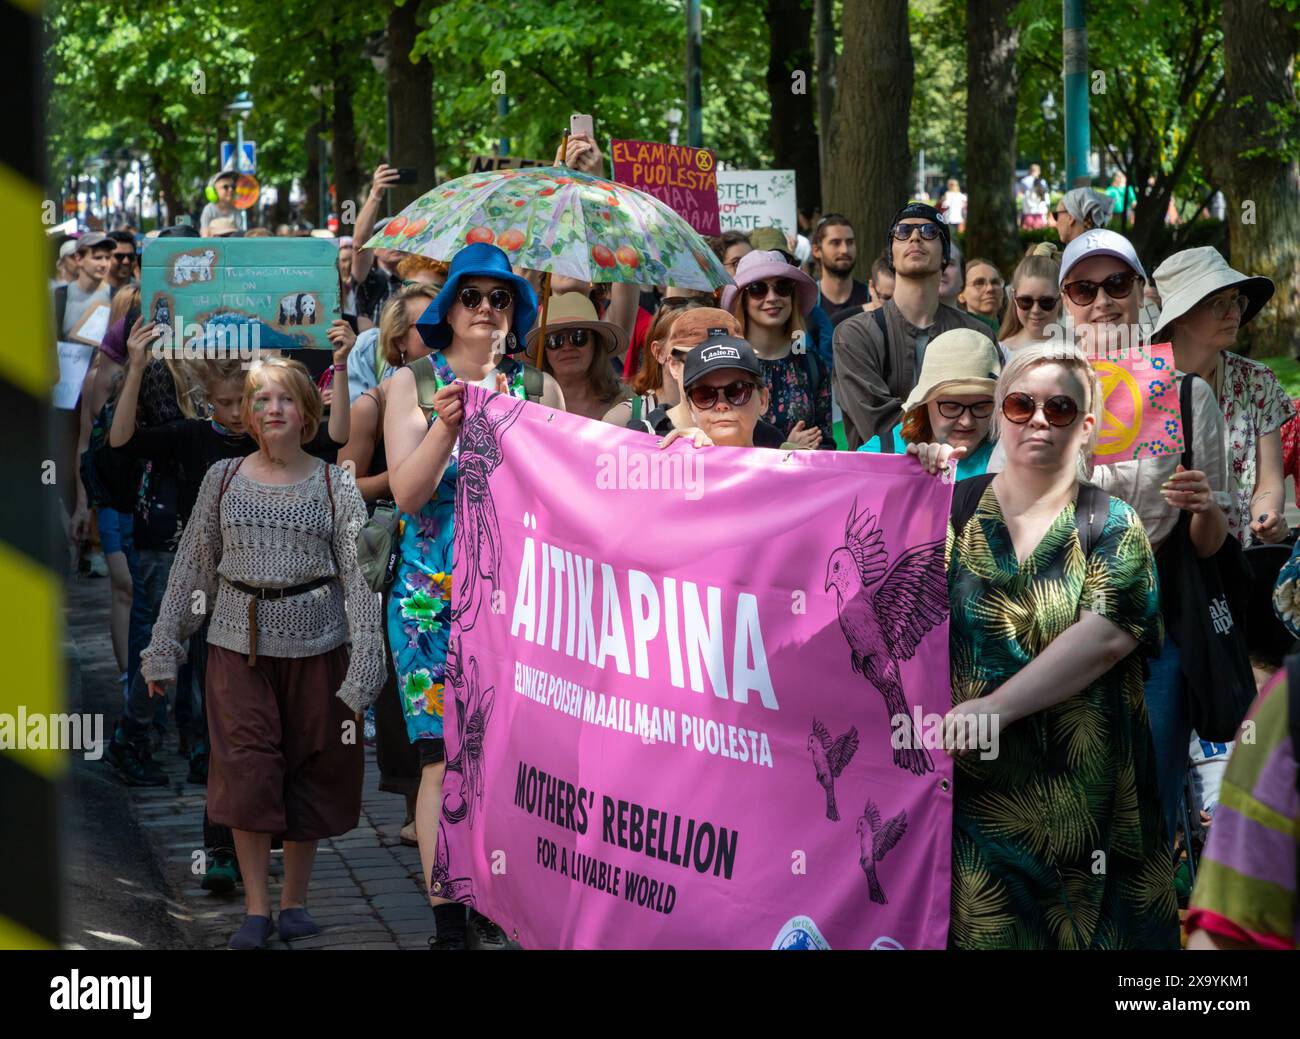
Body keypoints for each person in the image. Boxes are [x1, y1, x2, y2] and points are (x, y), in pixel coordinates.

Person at [917, 341, 1177, 949]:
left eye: (1060, 408)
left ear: (1086, 427)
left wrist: (993, 710)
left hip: (1091, 819)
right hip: (976, 817)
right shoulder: (946, 507)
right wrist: (700, 454)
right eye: (1020, 404)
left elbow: (1106, 637)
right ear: (999, 415)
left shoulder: (1113, 522)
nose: (1038, 419)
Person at [139, 356, 384, 949]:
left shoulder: (335, 483)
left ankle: (294, 902)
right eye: (261, 401)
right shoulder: (221, 478)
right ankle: (255, 907)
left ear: (306, 414)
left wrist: (367, 656)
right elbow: (194, 569)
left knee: (310, 767)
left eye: (285, 400)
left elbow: (358, 576)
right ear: (246, 414)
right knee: (245, 771)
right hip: (234, 645)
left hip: (317, 644)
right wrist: (164, 645)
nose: (273, 410)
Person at [383, 243, 556, 950]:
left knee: (503, 756)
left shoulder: (541, 389)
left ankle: (493, 891)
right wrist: (449, 424)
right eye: (472, 295)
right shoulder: (414, 384)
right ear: (447, 308)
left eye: (500, 297)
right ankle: (448, 918)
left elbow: (564, 496)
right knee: (439, 756)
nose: (486, 308)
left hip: (516, 593)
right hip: (429, 594)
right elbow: (407, 492)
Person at [1056, 229, 1233, 844]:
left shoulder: (1190, 395)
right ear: (1065, 304)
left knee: (1151, 792)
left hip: (1161, 622)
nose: (1102, 301)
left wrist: (1204, 506)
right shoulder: (1041, 396)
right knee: (1073, 797)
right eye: (1084, 288)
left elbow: (1212, 544)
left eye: (1117, 285)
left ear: (1142, 295)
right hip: (1066, 619)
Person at [1153, 246, 1288, 548]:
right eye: (1218, 303)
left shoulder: (1256, 381)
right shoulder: (1144, 384)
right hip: (1164, 561)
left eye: (1236, 300)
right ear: (1181, 316)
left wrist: (1268, 517)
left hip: (1238, 564)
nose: (1234, 313)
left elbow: (1268, 479)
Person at [832, 202, 996, 449]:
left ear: (945, 255)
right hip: (881, 480)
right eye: (903, 231)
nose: (916, 237)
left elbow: (992, 417)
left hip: (963, 480)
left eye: (930, 231)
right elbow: (877, 424)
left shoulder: (978, 334)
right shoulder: (854, 334)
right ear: (891, 254)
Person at [1184, 669, 1297, 949]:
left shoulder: (1254, 726)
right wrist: (1186, 816)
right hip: (1218, 805)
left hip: (1245, 800)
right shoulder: (1190, 729)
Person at [721, 250, 829, 449]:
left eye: (782, 287)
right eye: (757, 289)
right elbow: (720, 443)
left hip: (804, 479)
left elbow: (826, 442)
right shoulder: (727, 365)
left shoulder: (811, 363)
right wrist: (785, 447)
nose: (772, 297)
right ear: (743, 300)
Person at [858, 328, 1000, 479]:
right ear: (925, 403)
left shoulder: (1009, 458)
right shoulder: (879, 457)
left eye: (981, 406)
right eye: (952, 407)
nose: (966, 421)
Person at [346, 257, 448, 403]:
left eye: (433, 291)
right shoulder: (369, 346)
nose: (423, 296)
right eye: (413, 286)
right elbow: (355, 413)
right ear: (401, 290)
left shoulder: (458, 351)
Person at [526, 292, 629, 421]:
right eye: (554, 340)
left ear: (595, 344)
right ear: (544, 350)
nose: (567, 347)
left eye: (578, 336)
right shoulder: (525, 403)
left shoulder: (627, 403)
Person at [351, 164, 405, 329]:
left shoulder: (419, 280)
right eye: (387, 238)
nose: (396, 243)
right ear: (373, 247)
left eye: (401, 236)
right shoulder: (369, 280)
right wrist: (375, 194)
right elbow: (359, 244)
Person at [998, 249, 1062, 351]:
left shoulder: (1081, 345)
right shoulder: (1002, 352)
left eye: (1046, 302)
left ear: (1061, 299)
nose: (1035, 310)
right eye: (1026, 301)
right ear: (1014, 297)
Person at [54, 232, 114, 340]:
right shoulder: (60, 295)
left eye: (108, 258)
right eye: (97, 258)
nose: (104, 264)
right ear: (79, 259)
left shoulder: (115, 295)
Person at [812, 214, 870, 319]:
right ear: (817, 251)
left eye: (850, 242)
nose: (845, 250)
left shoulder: (871, 297)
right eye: (835, 243)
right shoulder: (807, 301)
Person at [958, 258, 1006, 333]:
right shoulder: (956, 333)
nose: (990, 288)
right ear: (960, 295)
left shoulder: (1016, 332)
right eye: (979, 283)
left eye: (995, 282)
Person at [199, 171, 245, 235]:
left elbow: (240, 235)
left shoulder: (236, 210)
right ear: (213, 191)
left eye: (233, 186)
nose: (231, 189)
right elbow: (205, 235)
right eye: (225, 187)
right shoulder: (208, 210)